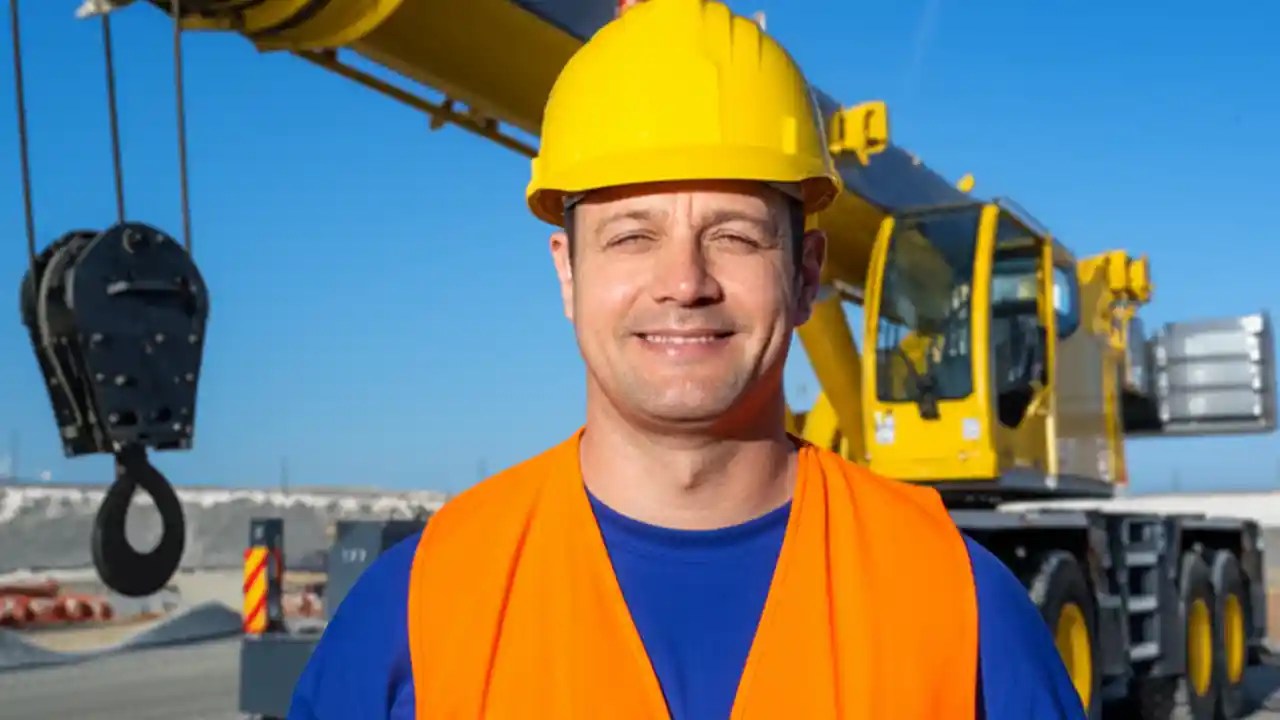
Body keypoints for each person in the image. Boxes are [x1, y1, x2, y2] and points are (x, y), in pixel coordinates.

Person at [287, 1, 1086, 718]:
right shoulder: (422, 608)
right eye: (633, 236)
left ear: (806, 274)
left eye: (733, 236)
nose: (684, 283)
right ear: (568, 273)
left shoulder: (959, 605)